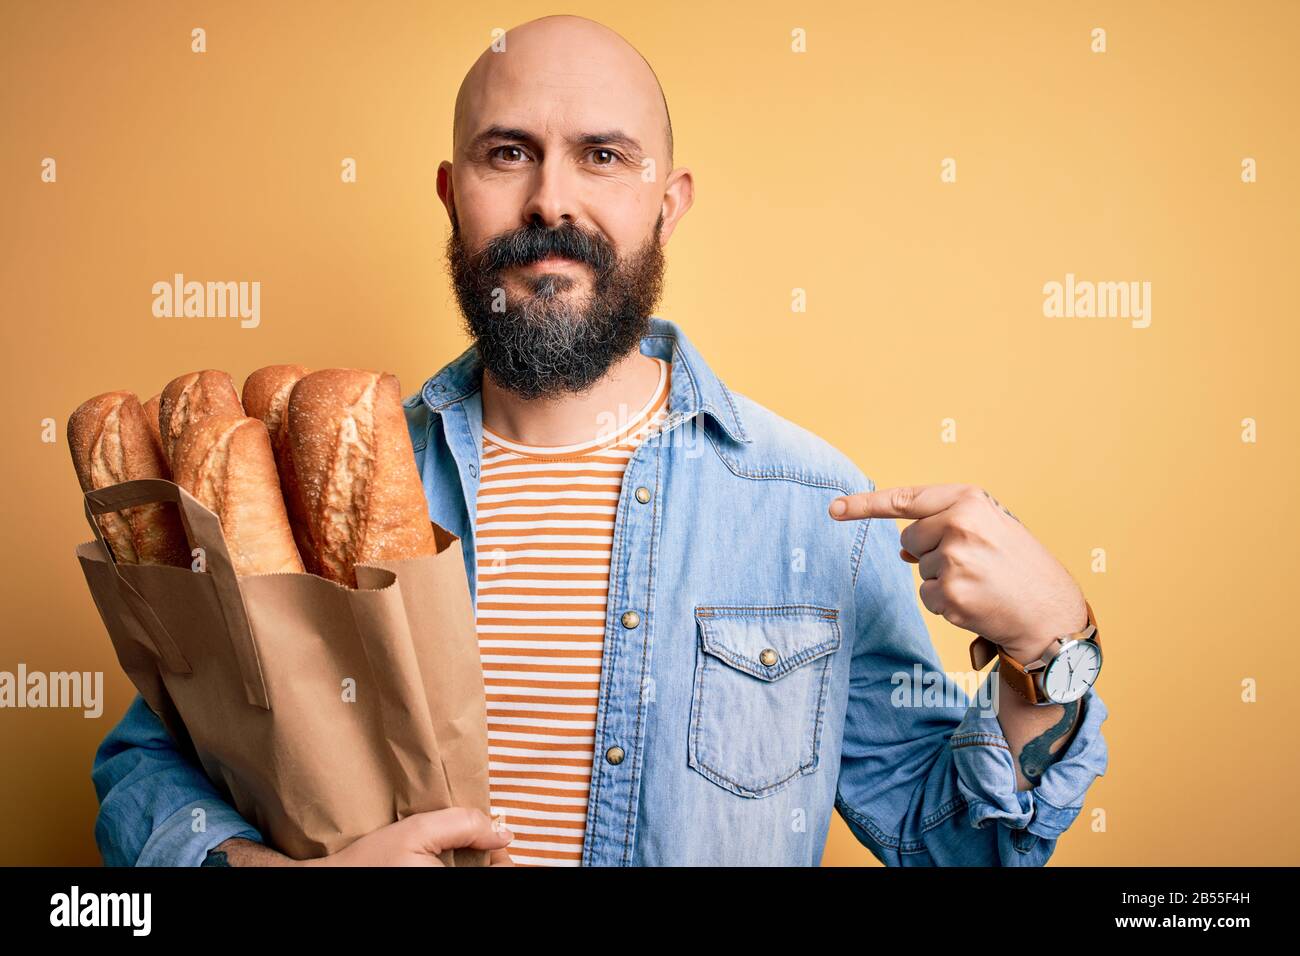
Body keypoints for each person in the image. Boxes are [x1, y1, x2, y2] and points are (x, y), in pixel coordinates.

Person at [93, 14, 1108, 867]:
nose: (550, 199)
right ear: (453, 198)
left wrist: (1047, 654)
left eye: (603, 155)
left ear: (666, 208)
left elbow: (953, 844)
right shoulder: (312, 485)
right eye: (508, 153)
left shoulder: (810, 506)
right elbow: (146, 763)